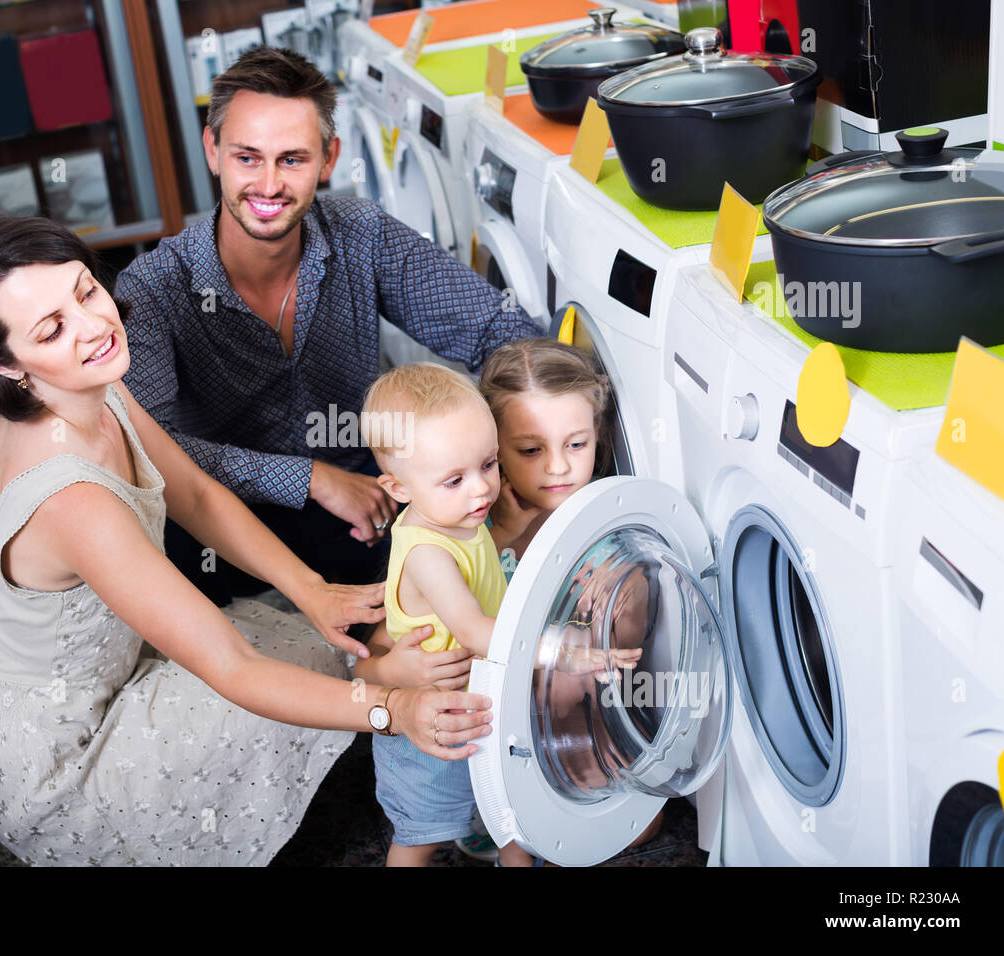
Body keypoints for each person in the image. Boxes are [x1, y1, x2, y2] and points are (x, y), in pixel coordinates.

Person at [0, 215, 493, 866]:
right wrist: (396, 710)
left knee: (297, 644)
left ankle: (362, 677)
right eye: (51, 330)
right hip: (55, 763)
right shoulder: (69, 499)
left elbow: (191, 494)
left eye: (85, 291)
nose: (93, 327)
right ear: (1, 365)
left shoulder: (88, 386)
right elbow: (232, 670)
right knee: (264, 686)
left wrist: (314, 592)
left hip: (93, 671)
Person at [114, 47, 538, 606]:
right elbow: (144, 448)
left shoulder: (360, 233)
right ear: (213, 151)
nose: (267, 185)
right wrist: (309, 478)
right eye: (248, 158)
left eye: (292, 159)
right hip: (217, 521)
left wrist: (482, 455)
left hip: (369, 501)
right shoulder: (152, 287)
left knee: (447, 630)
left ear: (330, 157)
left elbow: (503, 331)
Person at [351, 363, 537, 867]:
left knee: (513, 814)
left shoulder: (457, 515)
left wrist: (505, 531)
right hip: (428, 729)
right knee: (421, 834)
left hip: (473, 702)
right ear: (399, 488)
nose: (481, 489)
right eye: (455, 478)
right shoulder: (426, 553)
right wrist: (557, 644)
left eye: (489, 464)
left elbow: (475, 571)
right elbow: (476, 629)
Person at [480, 337, 661, 845]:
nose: (557, 467)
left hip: (574, 722)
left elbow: (622, 649)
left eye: (575, 445)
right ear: (493, 448)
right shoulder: (476, 524)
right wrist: (501, 536)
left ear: (599, 437)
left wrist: (616, 594)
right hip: (492, 723)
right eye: (531, 450)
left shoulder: (607, 528)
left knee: (639, 827)